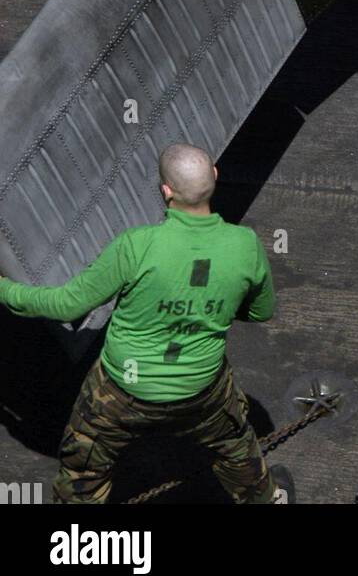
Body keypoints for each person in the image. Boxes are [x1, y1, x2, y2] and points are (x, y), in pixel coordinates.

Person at [0, 144, 281, 504]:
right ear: (214, 174)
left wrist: (6, 290)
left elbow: (66, 305)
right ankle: (266, 498)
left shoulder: (135, 246)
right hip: (202, 390)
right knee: (236, 447)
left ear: (166, 191)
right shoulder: (245, 245)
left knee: (83, 468)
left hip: (122, 390)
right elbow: (261, 311)